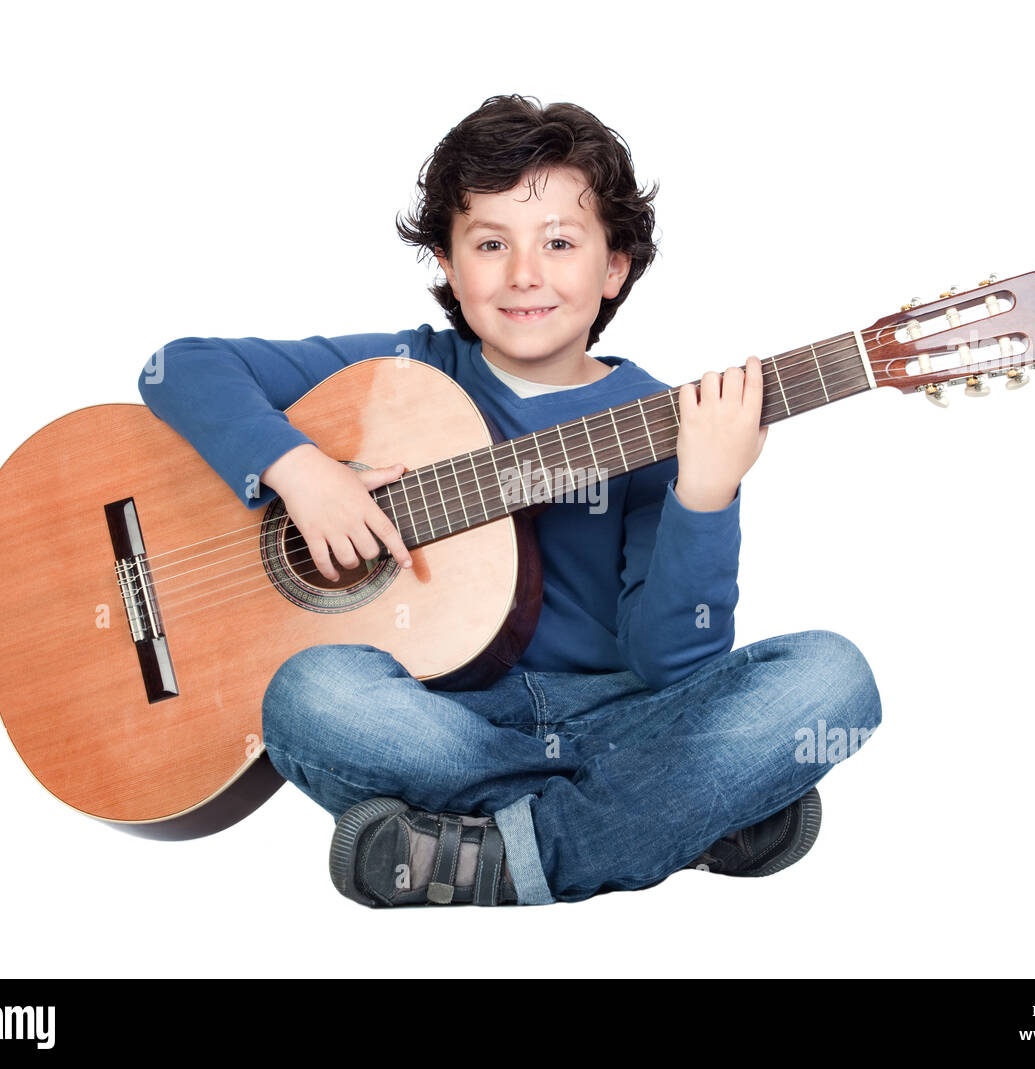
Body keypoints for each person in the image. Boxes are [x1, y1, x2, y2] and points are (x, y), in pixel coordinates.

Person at [139, 94, 882, 908]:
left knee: (832, 677)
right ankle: (676, 814)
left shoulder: (673, 425)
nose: (524, 273)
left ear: (614, 268)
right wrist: (298, 468)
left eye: (560, 243)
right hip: (442, 723)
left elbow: (675, 668)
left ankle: (502, 854)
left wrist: (706, 492)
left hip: (615, 712)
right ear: (449, 269)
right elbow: (179, 368)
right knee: (308, 694)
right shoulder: (404, 374)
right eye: (491, 244)